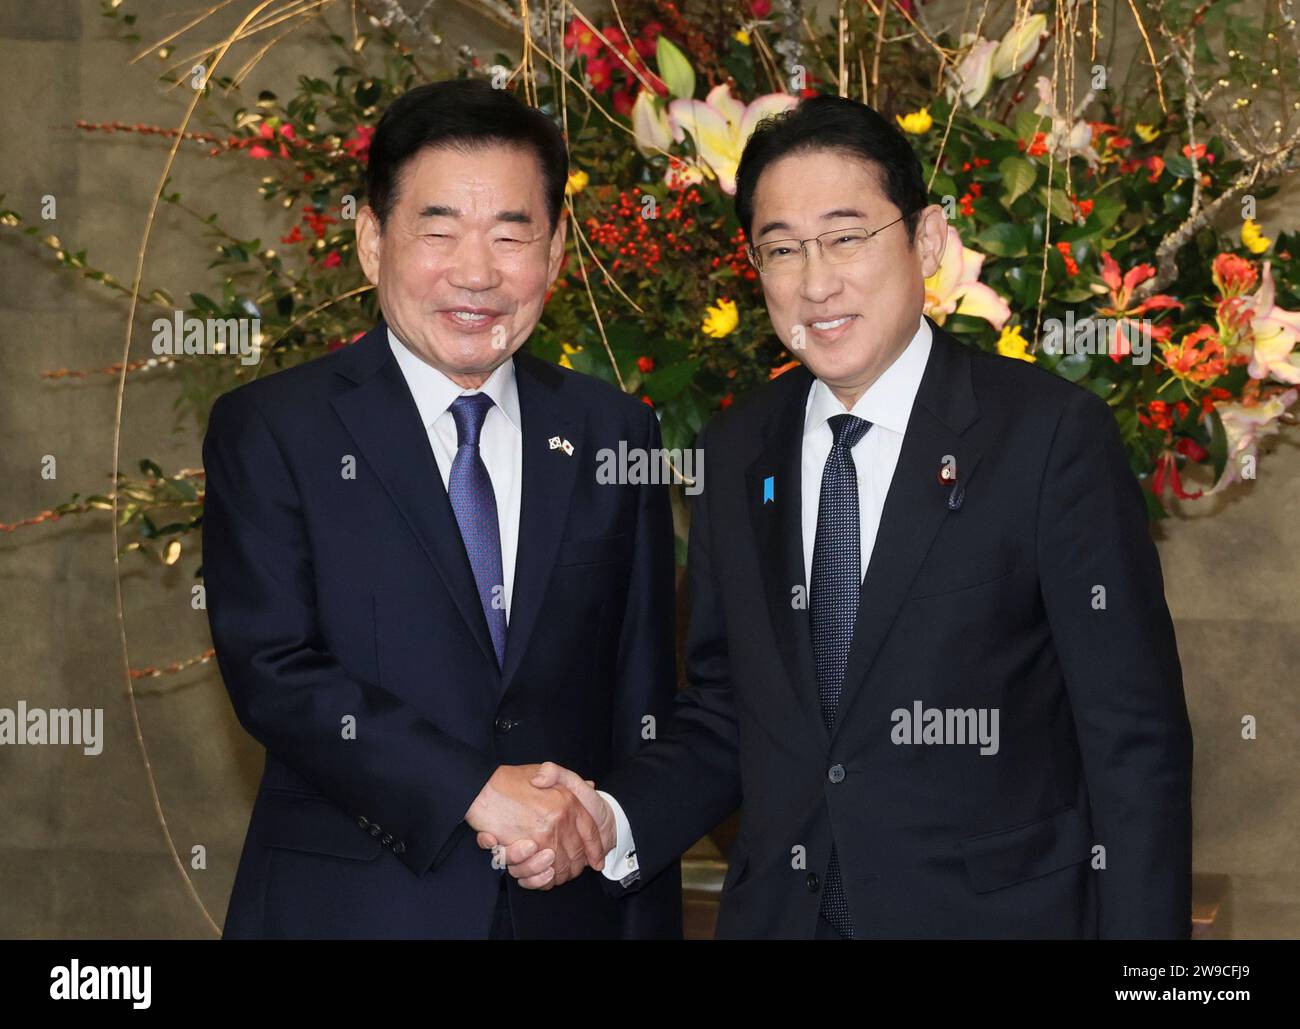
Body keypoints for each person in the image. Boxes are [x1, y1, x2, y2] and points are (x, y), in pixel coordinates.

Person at [483, 95, 1194, 939]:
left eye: (847, 235)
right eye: (781, 249)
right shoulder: (737, 449)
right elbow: (725, 714)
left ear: (926, 239)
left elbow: (1133, 739)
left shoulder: (1047, 437)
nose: (816, 282)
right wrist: (610, 817)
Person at [202, 79, 680, 939]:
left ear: (558, 250)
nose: (476, 272)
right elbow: (274, 669)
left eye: (511, 232)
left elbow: (641, 699)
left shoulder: (617, 429)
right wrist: (472, 788)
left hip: (565, 914)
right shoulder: (275, 429)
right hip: (350, 913)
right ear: (371, 241)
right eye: (438, 228)